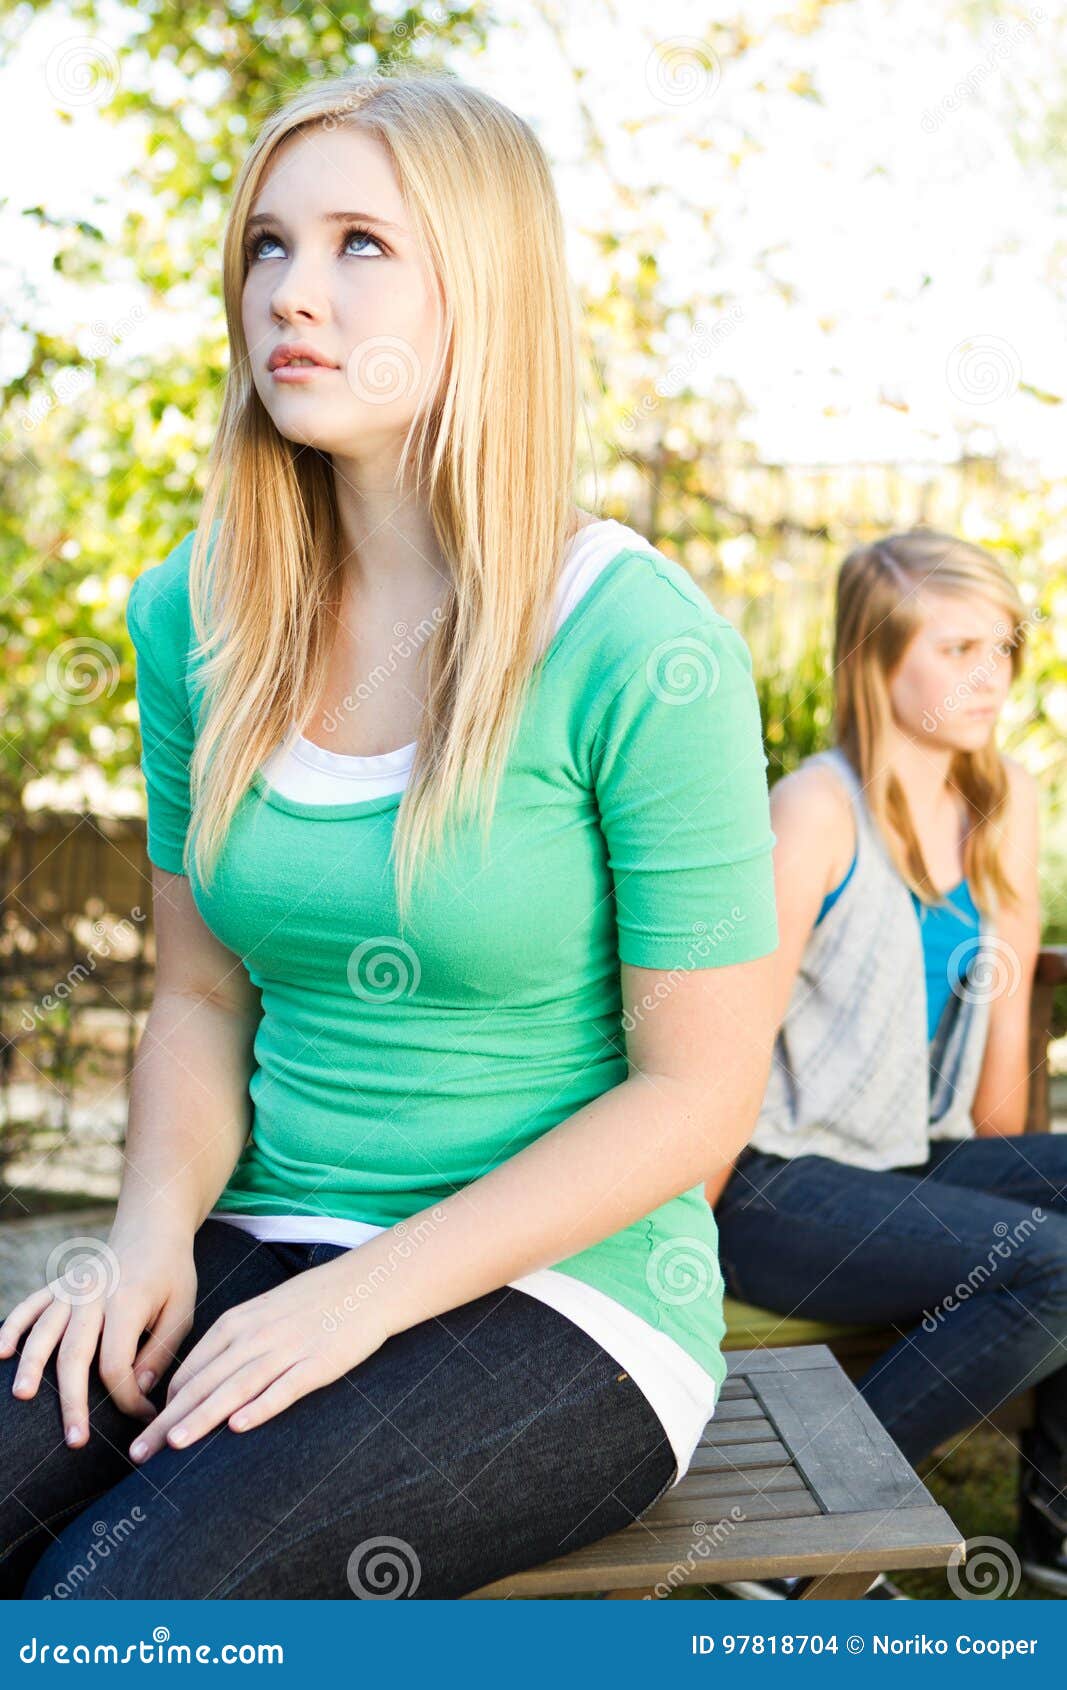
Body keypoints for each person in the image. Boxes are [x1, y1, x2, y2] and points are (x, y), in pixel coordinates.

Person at [0, 71, 781, 1600]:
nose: (290, 292)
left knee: (114, 1603)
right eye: (267, 244)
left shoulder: (637, 644)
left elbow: (697, 1097)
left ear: (479, 286)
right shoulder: (191, 614)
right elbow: (199, 993)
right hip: (264, 1232)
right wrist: (147, 1235)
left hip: (566, 1298)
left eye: (360, 243)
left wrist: (365, 1293)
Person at [709, 528, 1067, 1598]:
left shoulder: (1002, 802)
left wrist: (992, 1203)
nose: (989, 675)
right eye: (955, 648)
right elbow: (721, 1045)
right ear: (874, 661)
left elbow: (995, 1087)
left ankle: (1051, 1533)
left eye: (1000, 647)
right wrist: (674, 1242)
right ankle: (791, 1533)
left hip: (904, 1159)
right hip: (768, 1185)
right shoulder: (813, 812)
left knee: (1048, 1243)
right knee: (1057, 1263)